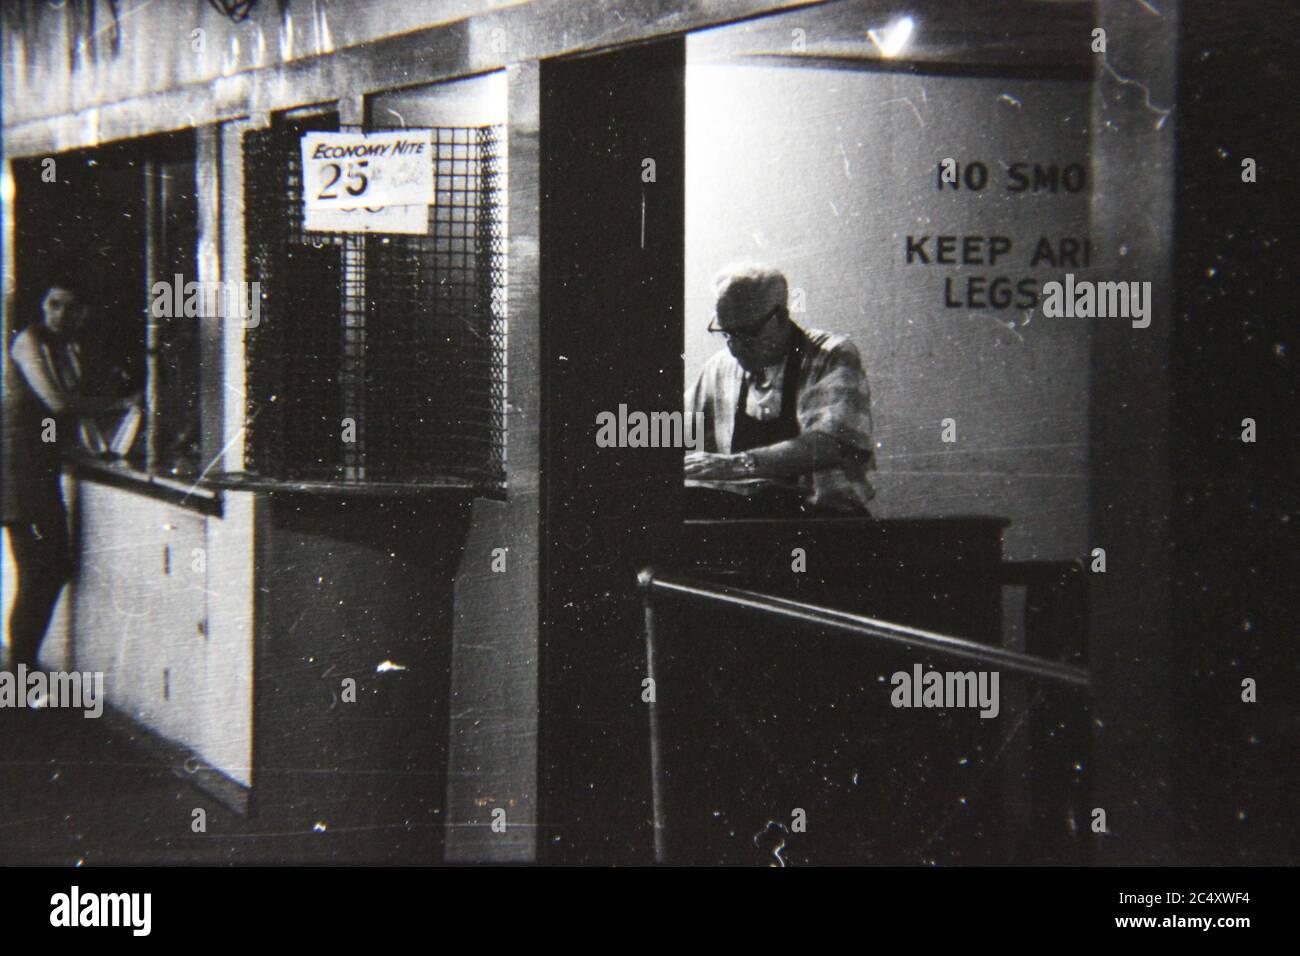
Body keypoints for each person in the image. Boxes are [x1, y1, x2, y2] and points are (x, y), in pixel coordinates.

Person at [2, 279, 133, 672]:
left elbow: (60, 417)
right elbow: (58, 403)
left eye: (72, 307)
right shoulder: (29, 342)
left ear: (84, 313)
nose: (61, 315)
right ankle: (20, 671)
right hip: (17, 471)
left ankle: (21, 666)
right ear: (42, 306)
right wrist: (121, 402)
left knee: (54, 569)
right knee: (37, 572)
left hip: (40, 469)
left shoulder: (66, 348)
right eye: (54, 304)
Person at [685, 263, 875, 517]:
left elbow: (829, 443)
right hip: (748, 522)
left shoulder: (831, 355)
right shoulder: (720, 367)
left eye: (748, 332)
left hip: (823, 522)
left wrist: (738, 464)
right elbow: (678, 429)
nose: (735, 347)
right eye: (727, 332)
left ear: (782, 317)